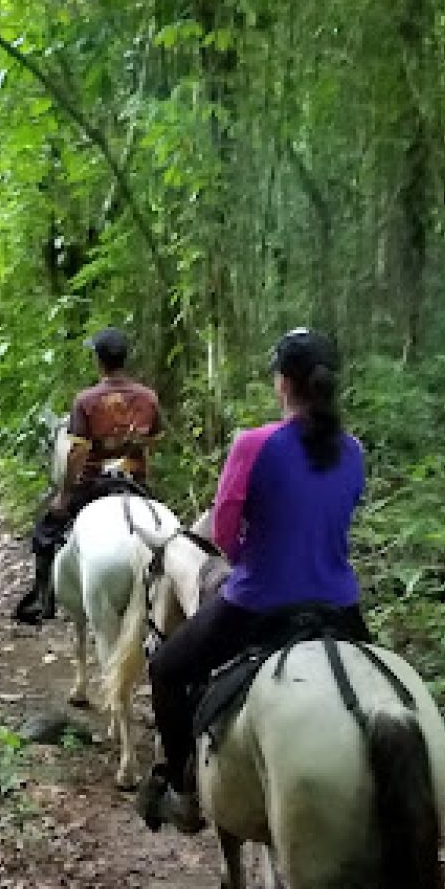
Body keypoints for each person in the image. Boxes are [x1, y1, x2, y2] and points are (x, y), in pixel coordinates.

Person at [137, 328, 369, 833]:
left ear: (283, 383)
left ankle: (183, 790)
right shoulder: (352, 450)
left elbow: (222, 529)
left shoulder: (254, 444)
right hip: (339, 606)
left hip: (259, 602)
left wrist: (250, 559)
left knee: (168, 671)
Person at [13, 327, 162, 626]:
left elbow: (78, 453)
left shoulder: (86, 401)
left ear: (98, 360)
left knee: (46, 531)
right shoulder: (148, 398)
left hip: (95, 485)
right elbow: (152, 442)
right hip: (135, 484)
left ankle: (44, 601)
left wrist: (64, 494)